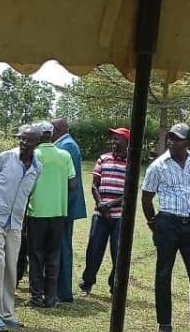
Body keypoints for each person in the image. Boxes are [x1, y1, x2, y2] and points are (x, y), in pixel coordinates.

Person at [141, 123, 190, 332]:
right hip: (167, 222)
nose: (172, 141)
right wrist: (154, 223)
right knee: (164, 273)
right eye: (170, 137)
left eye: (178, 138)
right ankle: (165, 323)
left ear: (188, 143)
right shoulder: (158, 166)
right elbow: (146, 198)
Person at [0, 125, 42, 332]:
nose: (24, 143)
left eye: (28, 140)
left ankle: (8, 313)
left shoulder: (37, 167)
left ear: (37, 143)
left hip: (15, 222)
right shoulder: (5, 158)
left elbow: (28, 195)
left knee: (11, 267)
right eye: (21, 139)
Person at [25, 121, 76, 308]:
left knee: (36, 255)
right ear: (52, 134)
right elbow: (72, 184)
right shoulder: (64, 155)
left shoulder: (34, 155)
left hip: (37, 211)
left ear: (38, 136)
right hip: (58, 212)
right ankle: (51, 297)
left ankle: (36, 296)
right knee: (53, 255)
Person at [80, 127, 130, 297]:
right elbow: (94, 184)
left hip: (119, 216)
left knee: (118, 253)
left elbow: (129, 191)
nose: (113, 142)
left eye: (117, 139)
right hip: (100, 214)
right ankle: (87, 284)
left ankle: (114, 287)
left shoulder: (131, 162)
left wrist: (110, 205)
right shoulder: (103, 159)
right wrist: (101, 204)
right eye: (112, 139)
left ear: (126, 142)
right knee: (94, 250)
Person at [52, 118, 87, 303]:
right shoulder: (68, 144)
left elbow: (68, 181)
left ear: (56, 129)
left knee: (63, 246)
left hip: (65, 205)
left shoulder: (66, 146)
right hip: (66, 204)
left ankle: (63, 291)